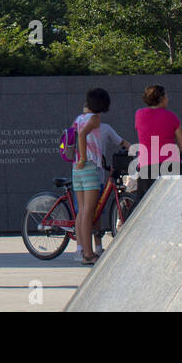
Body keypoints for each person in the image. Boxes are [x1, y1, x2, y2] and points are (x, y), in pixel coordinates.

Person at [72, 88, 129, 265]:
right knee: (89, 212)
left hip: (77, 169)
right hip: (89, 167)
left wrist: (78, 159)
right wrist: (83, 157)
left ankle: (81, 251)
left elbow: (74, 136)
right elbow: (81, 136)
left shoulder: (79, 119)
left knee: (82, 211)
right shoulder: (94, 119)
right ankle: (88, 254)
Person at [134, 84, 182, 203]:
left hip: (147, 165)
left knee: (146, 205)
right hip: (170, 164)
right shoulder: (171, 117)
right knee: (172, 203)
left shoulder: (139, 114)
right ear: (162, 98)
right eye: (166, 95)